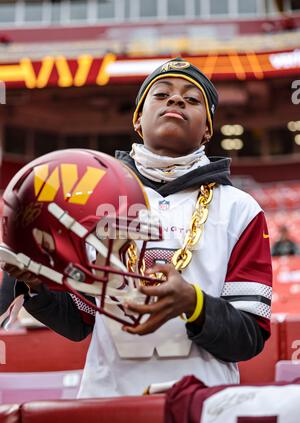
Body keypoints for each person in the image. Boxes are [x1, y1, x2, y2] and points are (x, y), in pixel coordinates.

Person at [2, 58, 272, 397]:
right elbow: (77, 321)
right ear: (138, 120)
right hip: (106, 401)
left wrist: (193, 302)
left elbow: (248, 337)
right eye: (161, 95)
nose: (176, 101)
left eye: (192, 99)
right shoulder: (86, 196)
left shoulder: (241, 209)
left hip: (204, 406)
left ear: (208, 129)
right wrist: (36, 284)